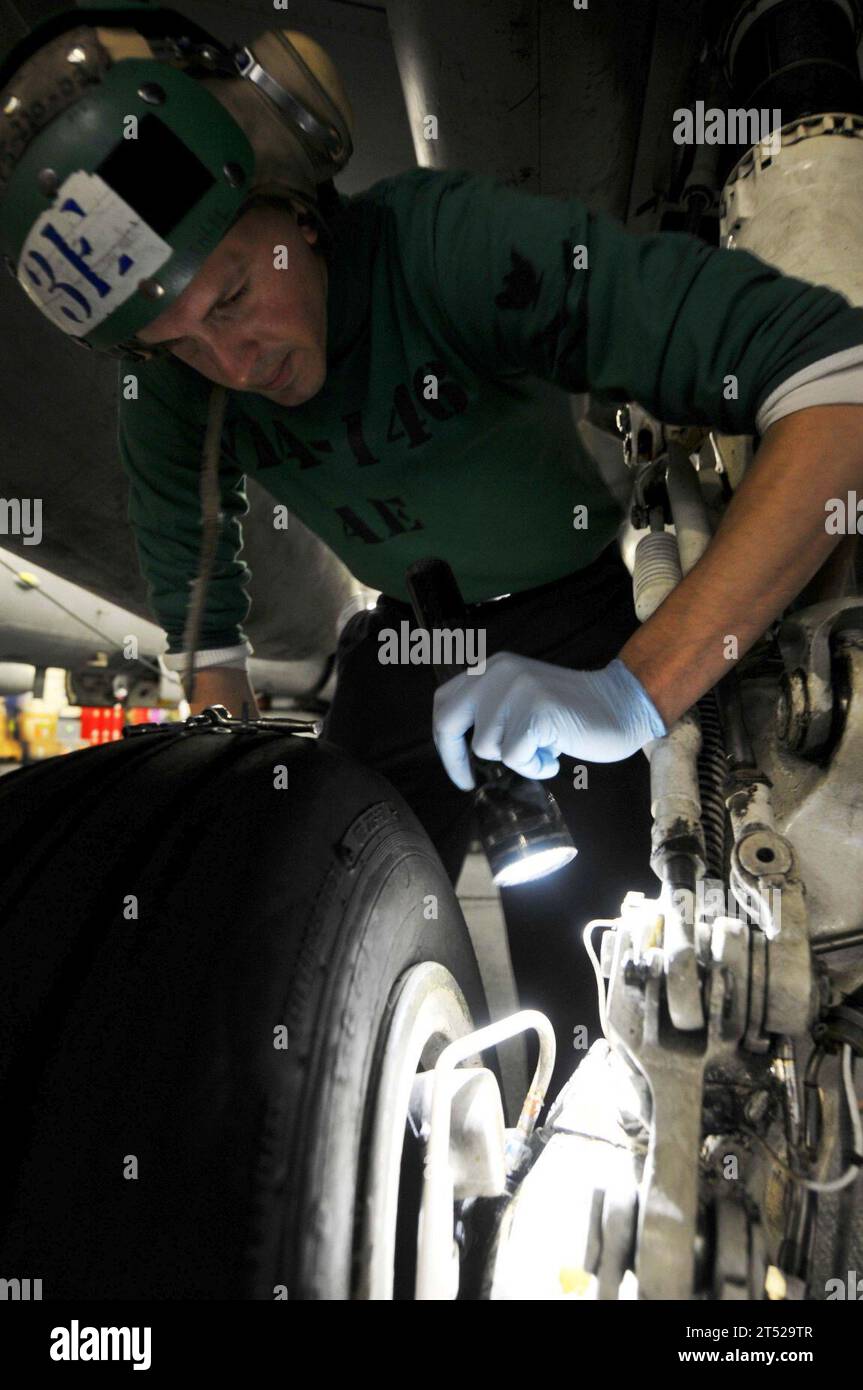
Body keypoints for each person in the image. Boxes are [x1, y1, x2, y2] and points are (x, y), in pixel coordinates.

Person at [4, 9, 863, 1096]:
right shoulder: (179, 393)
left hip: (572, 608)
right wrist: (216, 786)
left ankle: (576, 1104)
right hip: (408, 635)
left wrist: (629, 696)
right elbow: (203, 618)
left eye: (233, 294)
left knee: (601, 939)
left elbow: (837, 386)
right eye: (177, 342)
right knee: (305, 893)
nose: (231, 358)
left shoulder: (444, 247)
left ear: (297, 209)